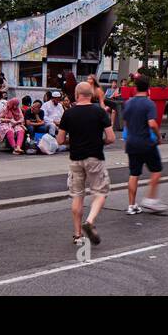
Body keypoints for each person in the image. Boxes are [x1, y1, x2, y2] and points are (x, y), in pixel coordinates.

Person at [57, 82, 114, 247]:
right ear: (92, 95)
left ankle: (77, 236)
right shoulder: (99, 111)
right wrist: (97, 141)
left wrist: (73, 142)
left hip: (75, 158)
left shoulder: (69, 113)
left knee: (77, 195)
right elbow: (110, 138)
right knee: (101, 192)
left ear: (76, 94)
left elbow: (60, 140)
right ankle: (89, 221)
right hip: (95, 157)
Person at [122, 76, 167, 214]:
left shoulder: (128, 103)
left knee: (134, 173)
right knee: (156, 170)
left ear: (135, 87)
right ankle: (150, 198)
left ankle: (131, 205)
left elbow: (125, 122)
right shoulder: (149, 104)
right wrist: (159, 136)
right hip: (146, 142)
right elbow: (152, 123)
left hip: (131, 142)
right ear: (149, 89)